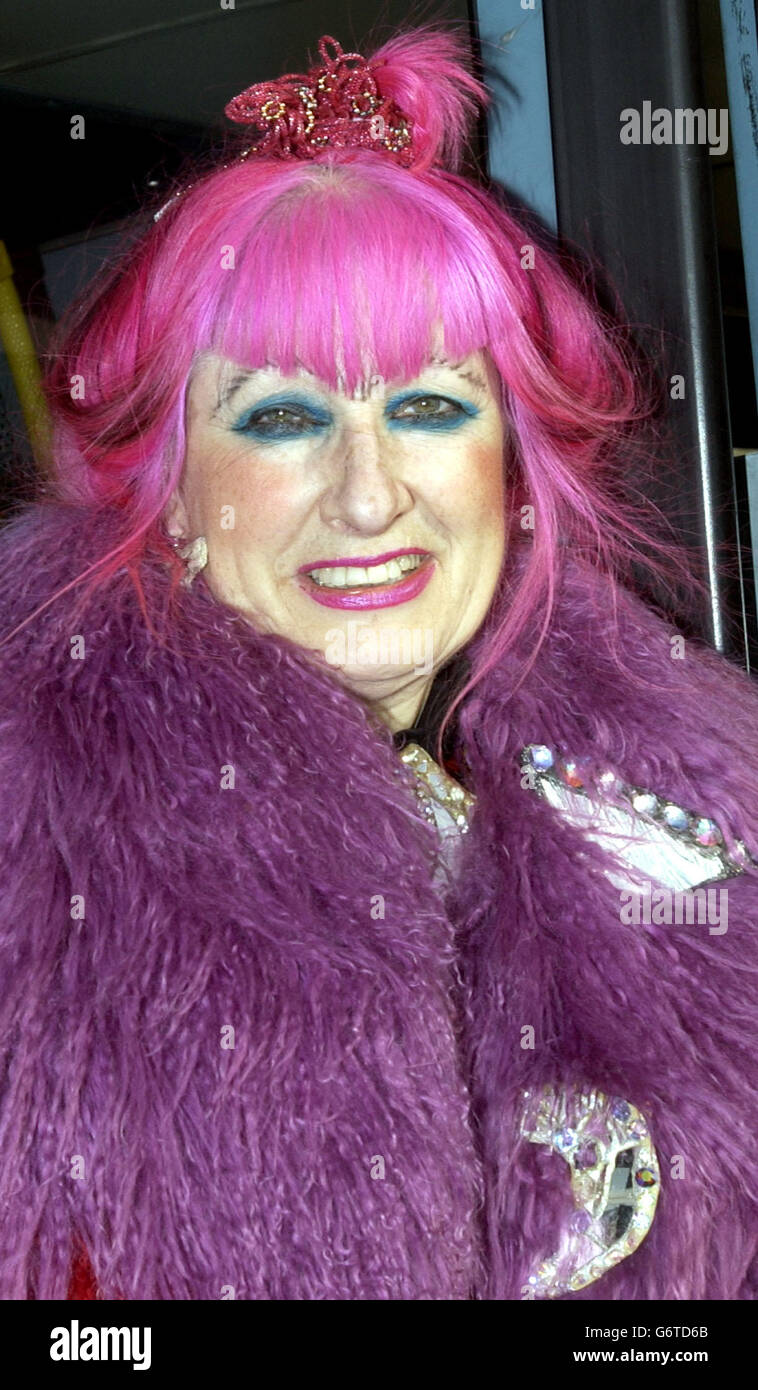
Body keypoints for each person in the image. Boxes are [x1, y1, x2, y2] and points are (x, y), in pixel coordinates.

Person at [0, 25, 756, 1303]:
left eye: (428, 405)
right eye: (285, 417)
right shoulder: (41, 870)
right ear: (170, 492)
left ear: (511, 469)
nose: (367, 496)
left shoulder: (661, 820)